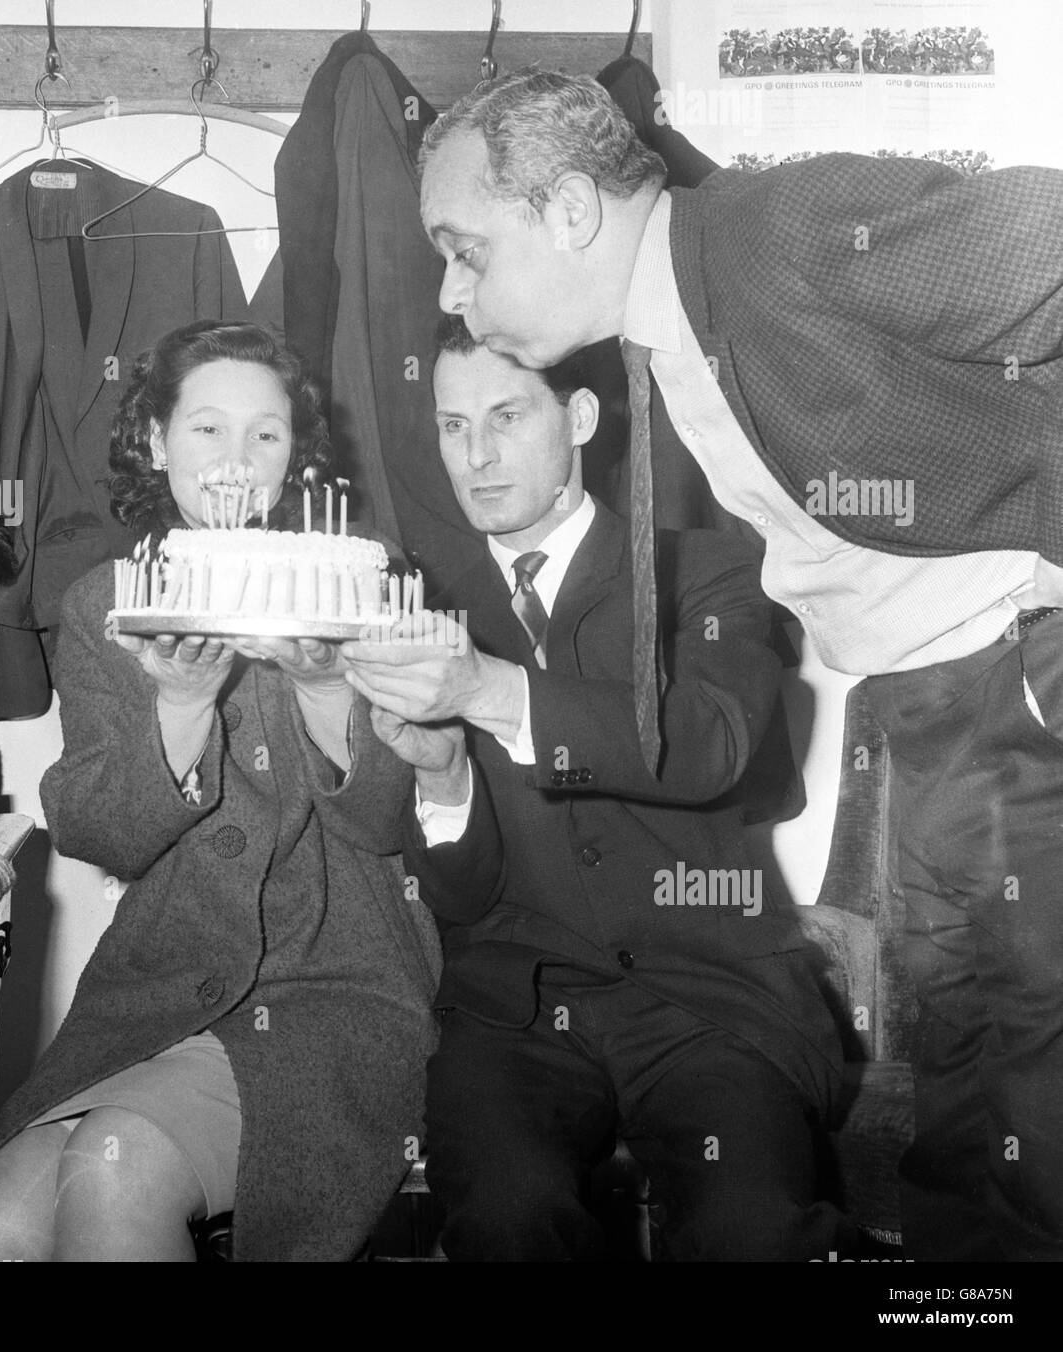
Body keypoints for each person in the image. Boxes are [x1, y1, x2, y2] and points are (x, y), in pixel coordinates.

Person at [414, 67, 1063, 1262]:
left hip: (1017, 670)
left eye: (465, 248)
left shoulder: (771, 236)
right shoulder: (665, 334)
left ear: (566, 211)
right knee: (970, 1085)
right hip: (925, 697)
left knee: (1036, 1094)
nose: (455, 289)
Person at [342, 320, 852, 1261]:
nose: (476, 456)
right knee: (504, 1224)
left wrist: (493, 693)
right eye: (452, 426)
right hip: (516, 1014)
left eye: (505, 416)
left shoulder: (707, 573)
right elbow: (453, 896)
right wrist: (443, 775)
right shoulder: (417, 600)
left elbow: (714, 743)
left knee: (757, 1234)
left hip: (709, 1000)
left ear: (580, 416)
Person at [0, 321, 440, 1262]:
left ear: (298, 450)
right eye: (207, 429)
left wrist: (328, 684)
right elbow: (96, 832)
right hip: (160, 988)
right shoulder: (108, 601)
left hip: (334, 987)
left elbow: (390, 822)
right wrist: (180, 705)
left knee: (114, 1170)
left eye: (267, 433)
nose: (236, 461)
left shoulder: (362, 581)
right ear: (155, 441)